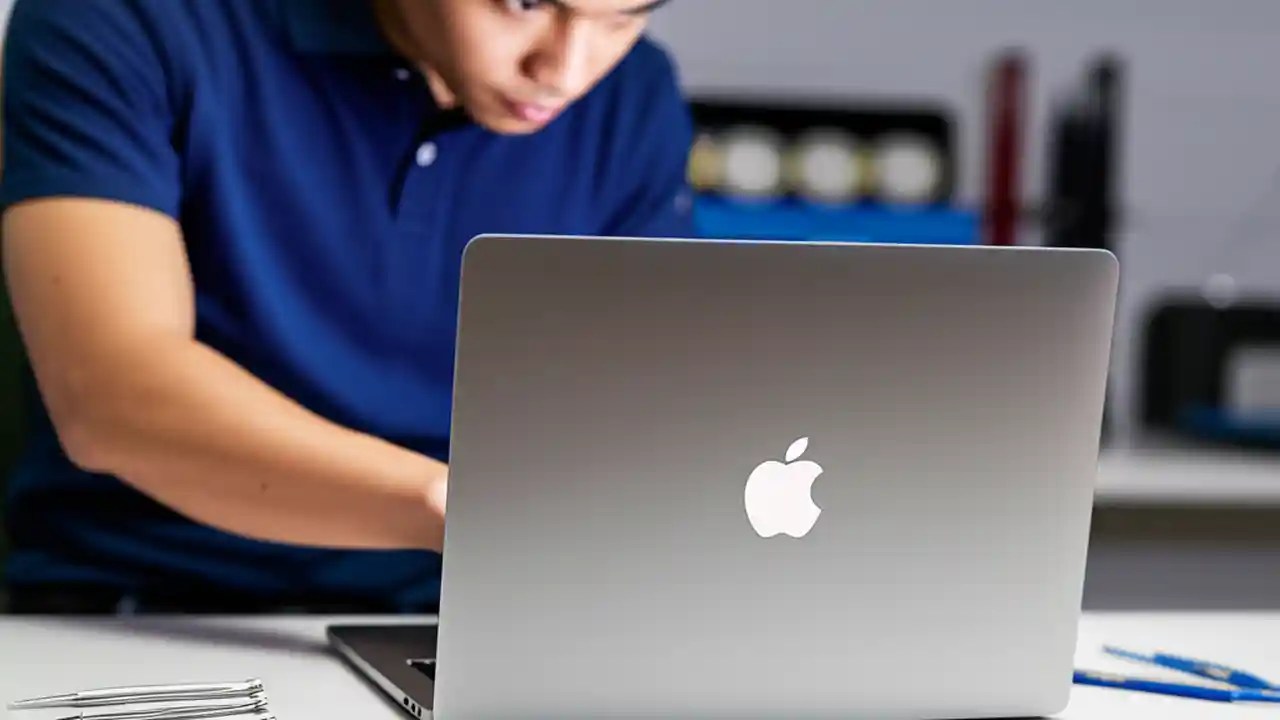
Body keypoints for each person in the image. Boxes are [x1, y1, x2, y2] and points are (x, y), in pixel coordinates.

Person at [0, 0, 693, 614]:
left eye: (625, 16)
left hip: (467, 619)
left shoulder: (635, 97)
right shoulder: (121, 19)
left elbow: (638, 413)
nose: (566, 71)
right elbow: (112, 399)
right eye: (523, 3)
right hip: (143, 609)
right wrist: (456, 509)